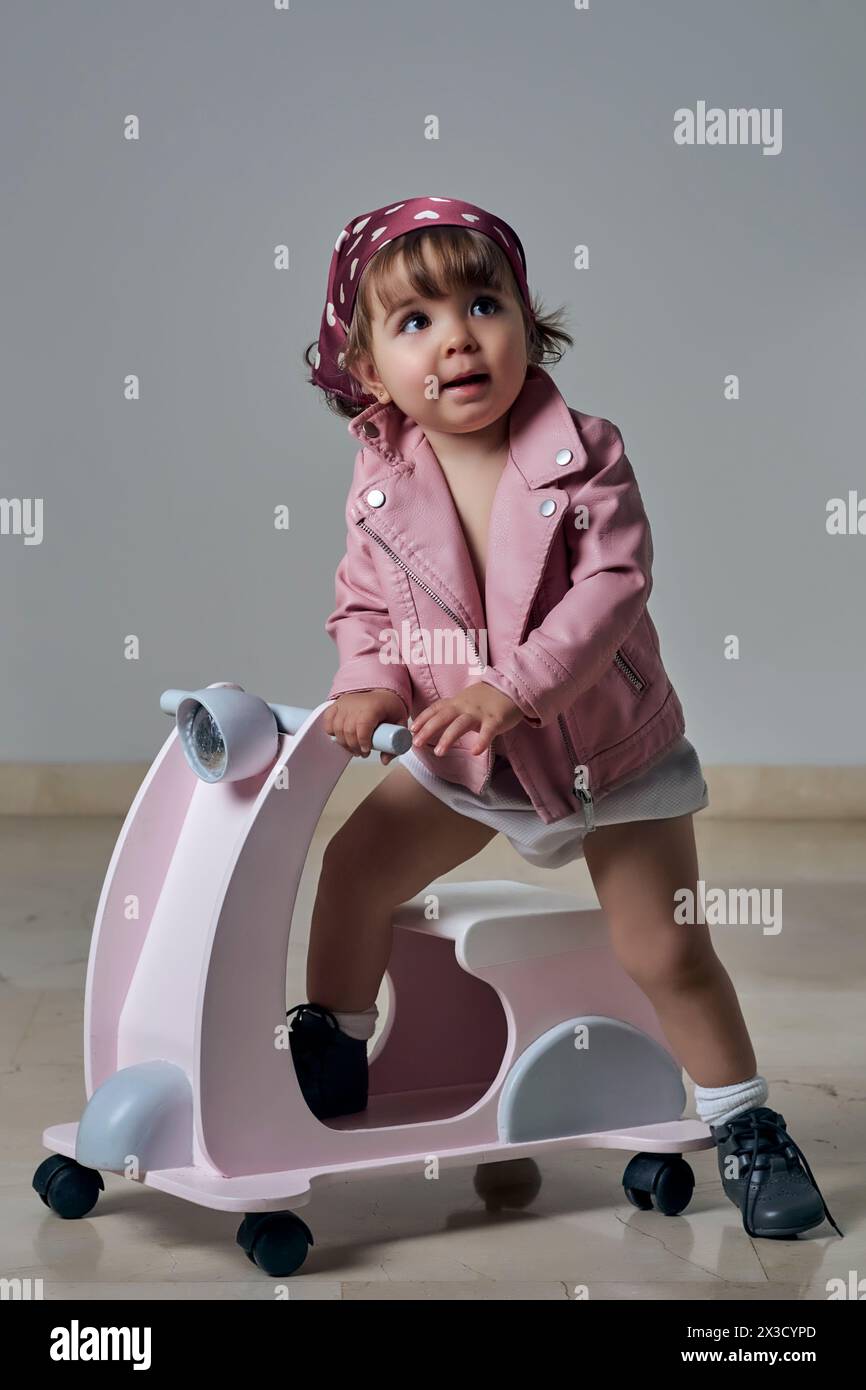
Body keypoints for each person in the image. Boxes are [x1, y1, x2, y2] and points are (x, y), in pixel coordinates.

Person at [288, 194, 841, 1242]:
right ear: (367, 371)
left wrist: (518, 685)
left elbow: (611, 592)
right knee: (356, 865)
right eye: (414, 322)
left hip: (607, 755)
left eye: (482, 303)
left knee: (663, 950)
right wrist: (365, 680)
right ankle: (333, 1051)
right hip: (476, 757)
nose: (457, 336)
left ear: (526, 325)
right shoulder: (381, 480)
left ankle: (744, 1126)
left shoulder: (583, 453)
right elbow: (364, 603)